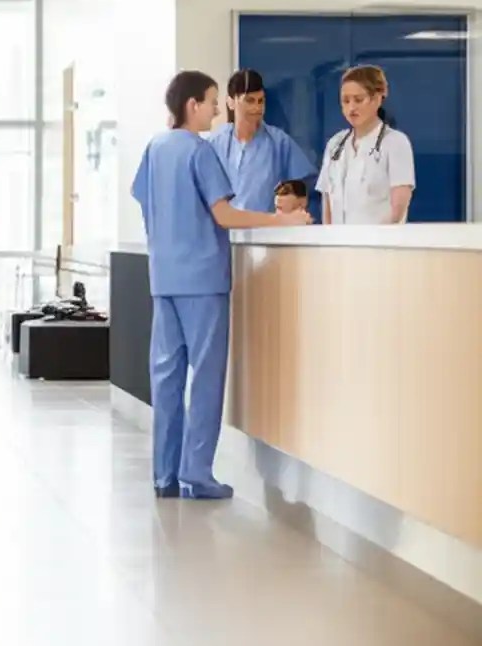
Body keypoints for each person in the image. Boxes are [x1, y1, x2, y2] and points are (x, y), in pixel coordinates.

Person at [131, 71, 311, 500]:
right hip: (203, 279)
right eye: (213, 101)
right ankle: (197, 474)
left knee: (167, 377)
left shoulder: (155, 148)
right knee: (207, 377)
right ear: (192, 105)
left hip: (165, 277)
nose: (217, 110)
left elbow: (144, 200)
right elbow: (225, 215)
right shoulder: (200, 150)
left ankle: (164, 475)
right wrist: (280, 220)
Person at [318, 65, 416, 225]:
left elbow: (398, 207)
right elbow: (327, 202)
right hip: (338, 245)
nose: (351, 107)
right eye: (345, 100)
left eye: (358, 100)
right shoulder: (335, 144)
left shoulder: (395, 142)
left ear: (377, 99)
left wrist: (374, 241)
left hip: (379, 245)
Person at [208, 69, 316, 213]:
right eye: (249, 101)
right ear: (231, 102)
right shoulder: (214, 144)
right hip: (223, 232)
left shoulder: (279, 142)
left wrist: (296, 197)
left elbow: (308, 185)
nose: (257, 108)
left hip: (267, 232)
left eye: (261, 101)